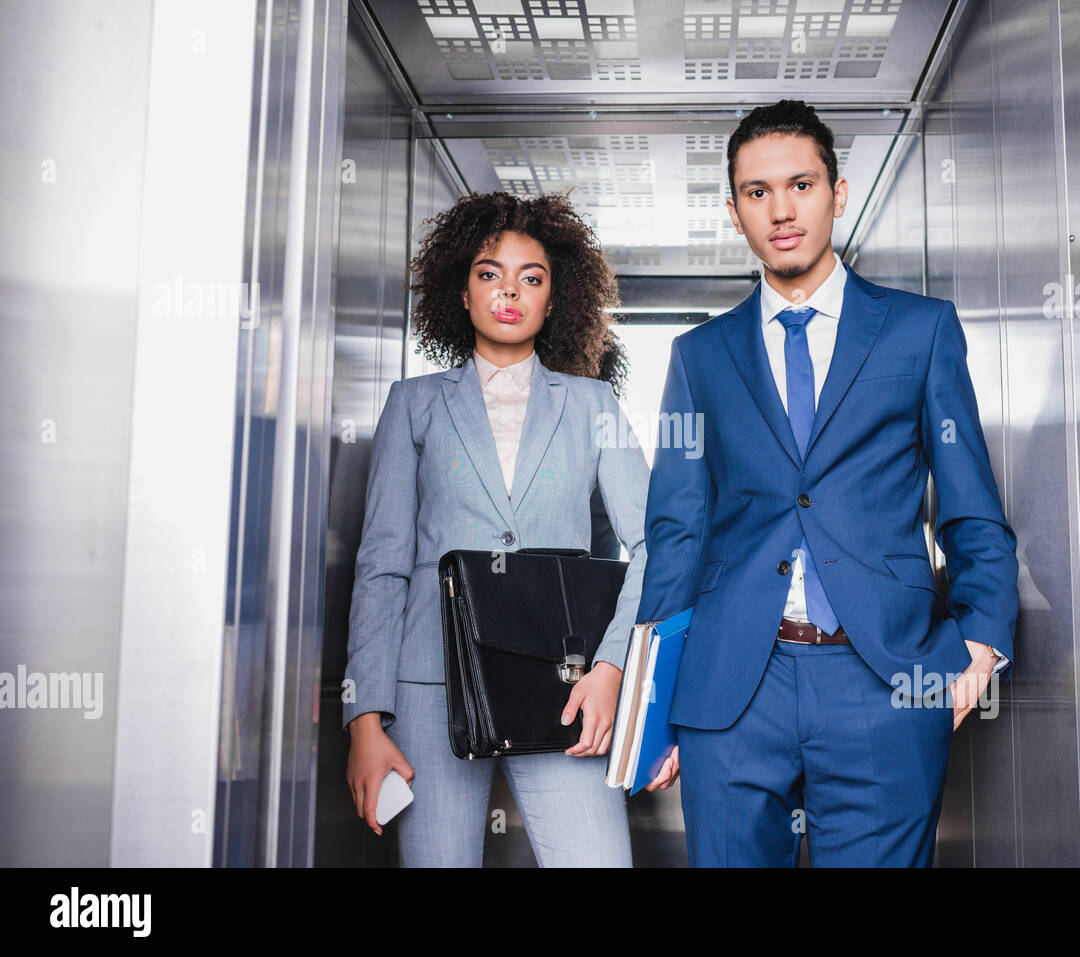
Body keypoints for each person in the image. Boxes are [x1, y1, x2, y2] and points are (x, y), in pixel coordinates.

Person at [636, 100, 1020, 866]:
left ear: (838, 193)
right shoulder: (699, 357)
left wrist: (981, 640)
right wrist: (656, 705)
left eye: (801, 184)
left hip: (885, 679)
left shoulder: (922, 329)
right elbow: (677, 535)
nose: (781, 209)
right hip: (733, 689)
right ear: (734, 211)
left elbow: (971, 503)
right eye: (756, 192)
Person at [343, 190, 648, 867]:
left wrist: (612, 665)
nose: (509, 291)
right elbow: (383, 565)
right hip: (426, 691)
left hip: (564, 686)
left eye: (530, 278)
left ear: (551, 299)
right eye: (490, 273)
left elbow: (657, 544)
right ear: (463, 291)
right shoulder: (413, 404)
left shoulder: (594, 404)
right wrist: (366, 720)